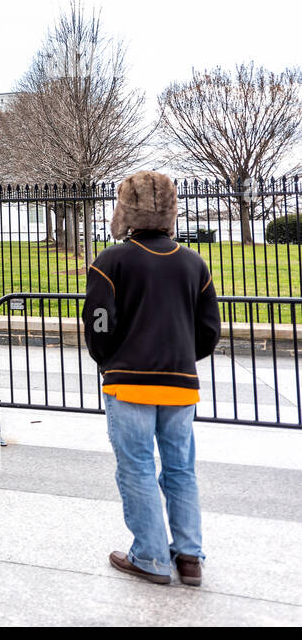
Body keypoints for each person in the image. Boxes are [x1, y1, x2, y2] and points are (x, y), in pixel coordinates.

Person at [84, 171, 220, 586]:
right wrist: (180, 357)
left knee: (137, 467)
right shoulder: (194, 263)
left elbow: (99, 323)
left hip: (128, 380)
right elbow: (209, 330)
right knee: (181, 469)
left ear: (125, 210)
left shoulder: (111, 261)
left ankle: (151, 556)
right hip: (180, 380)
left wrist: (108, 359)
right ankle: (189, 556)